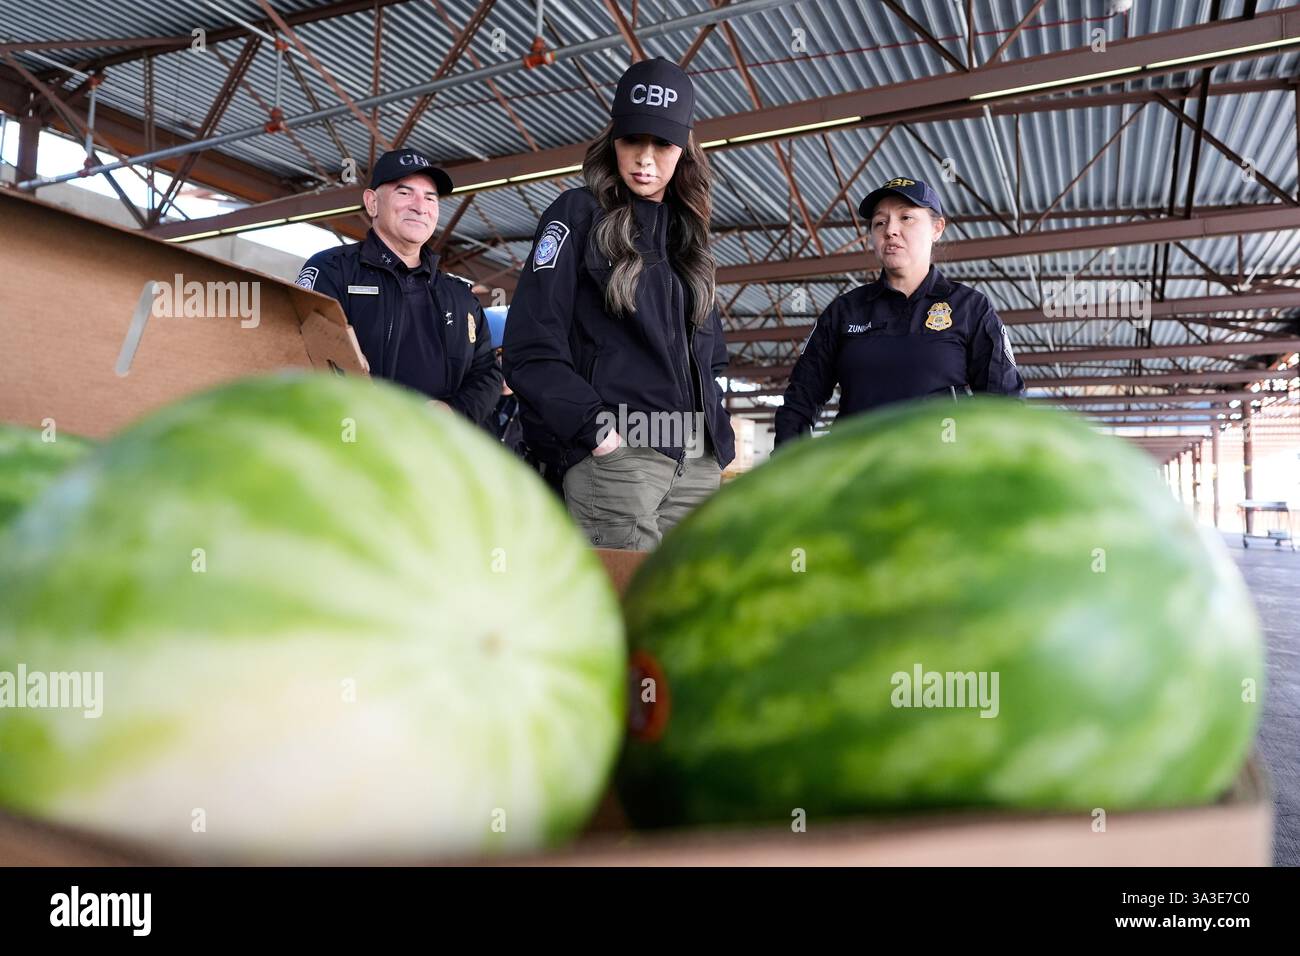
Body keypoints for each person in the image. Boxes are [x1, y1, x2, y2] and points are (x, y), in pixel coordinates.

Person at [503, 57, 735, 550]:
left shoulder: (689, 240)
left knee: (680, 615)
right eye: (633, 140)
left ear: (684, 150)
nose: (645, 159)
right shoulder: (577, 214)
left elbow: (712, 358)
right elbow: (530, 347)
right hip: (620, 464)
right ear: (614, 140)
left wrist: (718, 443)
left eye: (662, 144)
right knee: (622, 617)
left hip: (696, 465)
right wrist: (598, 436)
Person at [774, 176, 1024, 447]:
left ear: (937, 228)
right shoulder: (845, 312)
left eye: (906, 218)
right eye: (880, 222)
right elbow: (801, 399)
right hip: (858, 476)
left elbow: (1005, 405)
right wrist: (786, 466)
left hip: (942, 474)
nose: (890, 230)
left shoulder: (970, 308)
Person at [294, 147, 500, 423]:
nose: (420, 206)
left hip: (438, 452)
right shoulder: (332, 271)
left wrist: (451, 413)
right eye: (404, 193)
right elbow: (301, 350)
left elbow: (487, 372)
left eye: (430, 197)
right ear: (372, 203)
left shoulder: (460, 296)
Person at [482, 306, 525, 457]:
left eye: (512, 353)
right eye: (499, 352)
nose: (504, 360)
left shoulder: (530, 411)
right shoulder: (474, 404)